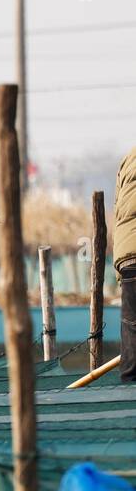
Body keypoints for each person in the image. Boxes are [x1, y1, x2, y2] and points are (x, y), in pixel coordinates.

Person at [115, 147, 136, 382]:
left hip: (127, 257)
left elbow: (118, 211)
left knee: (131, 328)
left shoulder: (127, 159)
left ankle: (128, 391)